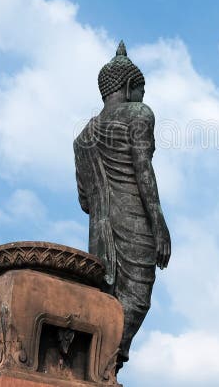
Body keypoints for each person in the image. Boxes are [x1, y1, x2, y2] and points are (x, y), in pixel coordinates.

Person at [73, 41, 171, 371]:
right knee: (138, 298)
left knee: (108, 295)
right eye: (141, 90)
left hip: (100, 234)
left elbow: (84, 200)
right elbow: (144, 169)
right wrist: (158, 222)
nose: (142, 96)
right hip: (134, 219)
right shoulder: (138, 114)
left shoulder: (83, 137)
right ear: (130, 87)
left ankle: (99, 364)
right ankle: (107, 363)